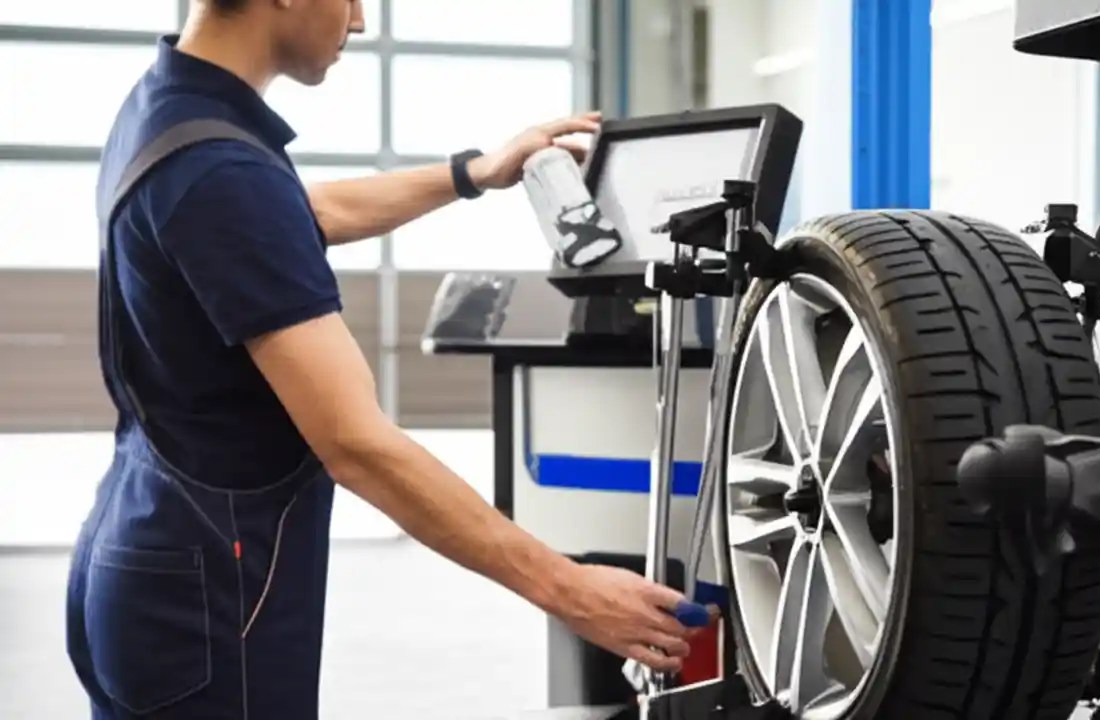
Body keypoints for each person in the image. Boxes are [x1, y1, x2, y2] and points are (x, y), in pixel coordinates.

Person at [64, 1, 703, 717]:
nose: (361, 20)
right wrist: (569, 588)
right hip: (209, 595)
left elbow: (303, 212)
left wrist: (475, 173)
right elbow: (357, 445)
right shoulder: (220, 171)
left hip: (144, 549)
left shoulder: (169, 109)